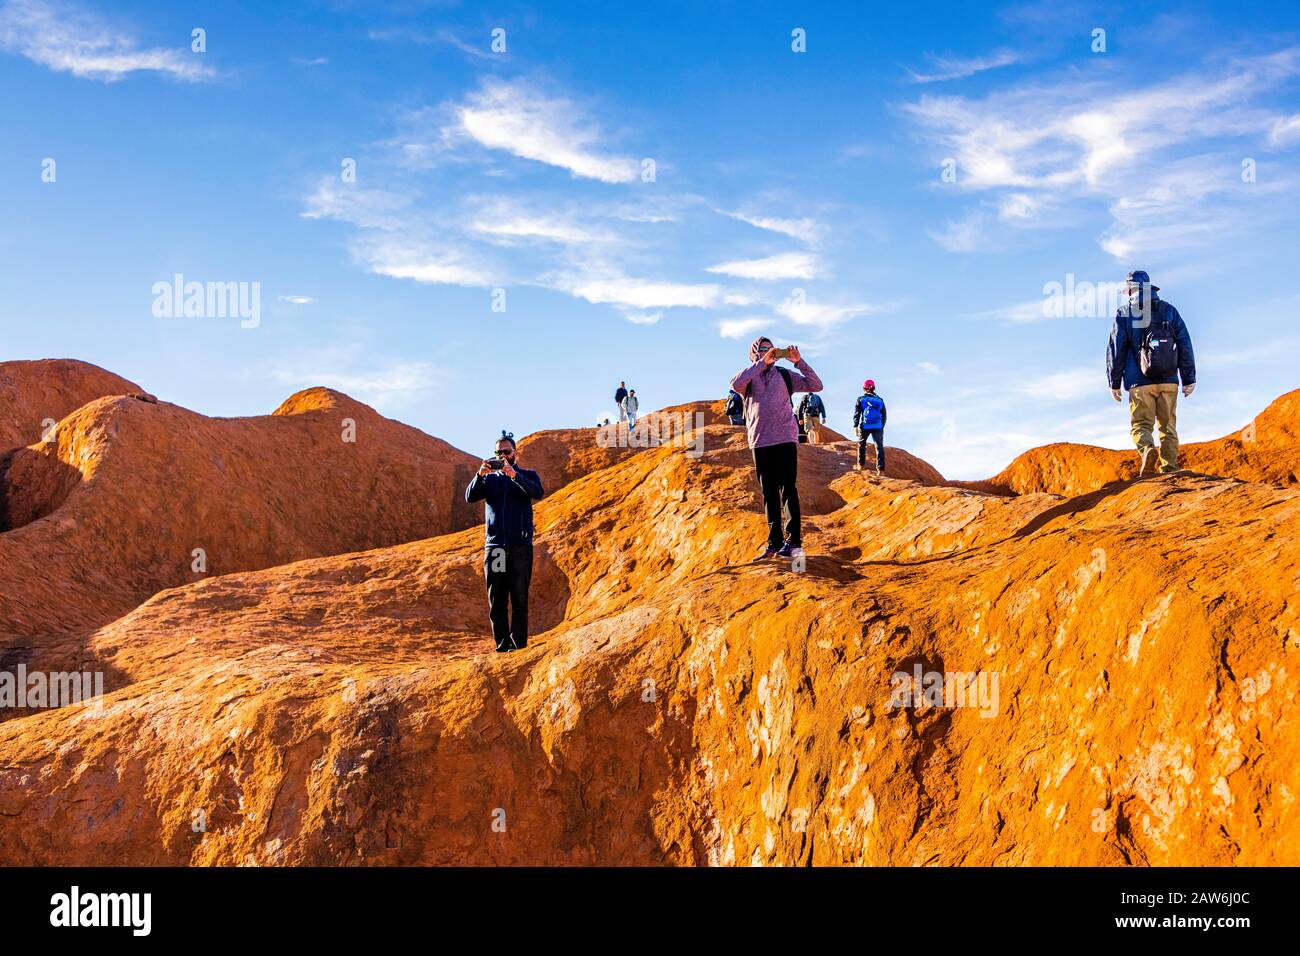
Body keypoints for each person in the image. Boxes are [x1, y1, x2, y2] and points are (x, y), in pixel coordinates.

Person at [730, 336, 824, 559]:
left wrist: (798, 362)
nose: (767, 351)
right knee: (768, 493)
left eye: (770, 349)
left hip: (784, 438)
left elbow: (816, 385)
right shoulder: (749, 377)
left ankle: (793, 542)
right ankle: (774, 543)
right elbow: (735, 385)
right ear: (754, 352)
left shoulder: (784, 375)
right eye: (762, 349)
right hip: (760, 440)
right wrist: (762, 363)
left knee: (788, 489)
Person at [1106, 270, 1196, 476]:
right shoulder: (1169, 310)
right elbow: (1185, 344)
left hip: (1139, 383)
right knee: (1168, 427)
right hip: (1169, 381)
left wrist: (1114, 381)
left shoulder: (1124, 313)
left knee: (1141, 425)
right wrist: (1188, 379)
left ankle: (1147, 450)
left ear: (1131, 290)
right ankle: (1169, 468)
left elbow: (1116, 349)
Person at [464, 432, 545, 652]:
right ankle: (502, 644)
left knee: (519, 596)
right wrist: (479, 475)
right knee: (497, 598)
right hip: (496, 548)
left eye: (506, 452)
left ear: (515, 453)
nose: (502, 456)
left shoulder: (528, 475)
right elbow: (469, 497)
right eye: (498, 453)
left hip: (519, 547)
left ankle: (518, 644)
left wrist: (514, 476)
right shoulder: (489, 480)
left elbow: (538, 492)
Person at [852, 380, 887, 474]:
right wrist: (881, 426)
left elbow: (857, 414)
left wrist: (855, 426)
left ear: (864, 388)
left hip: (865, 426)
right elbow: (884, 415)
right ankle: (881, 470)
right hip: (878, 426)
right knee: (879, 446)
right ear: (873, 388)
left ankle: (861, 466)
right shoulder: (880, 400)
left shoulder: (861, 399)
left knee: (861, 444)